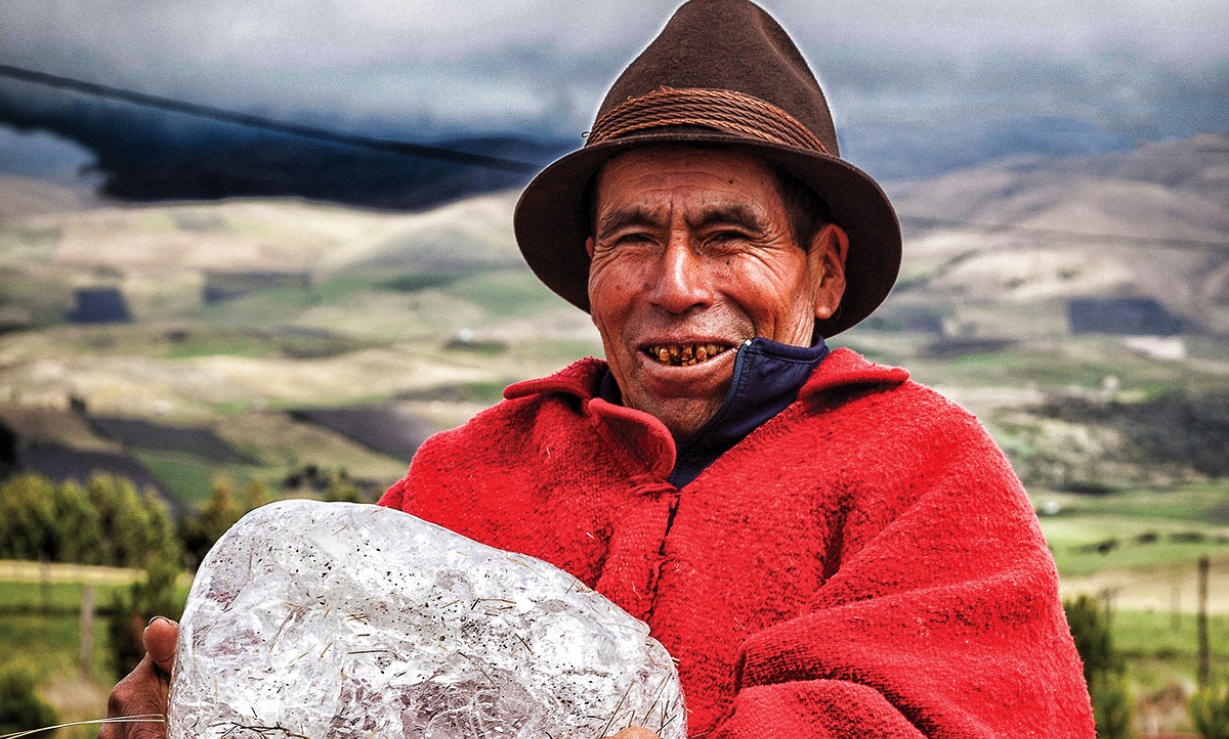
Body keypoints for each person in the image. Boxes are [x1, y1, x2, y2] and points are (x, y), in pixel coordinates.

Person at [103, 1, 1096, 737]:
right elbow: (344, 687)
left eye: (725, 236)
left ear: (823, 270)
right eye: (631, 238)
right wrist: (197, 705)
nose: (674, 283)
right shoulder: (469, 476)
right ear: (589, 271)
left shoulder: (925, 472)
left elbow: (963, 716)